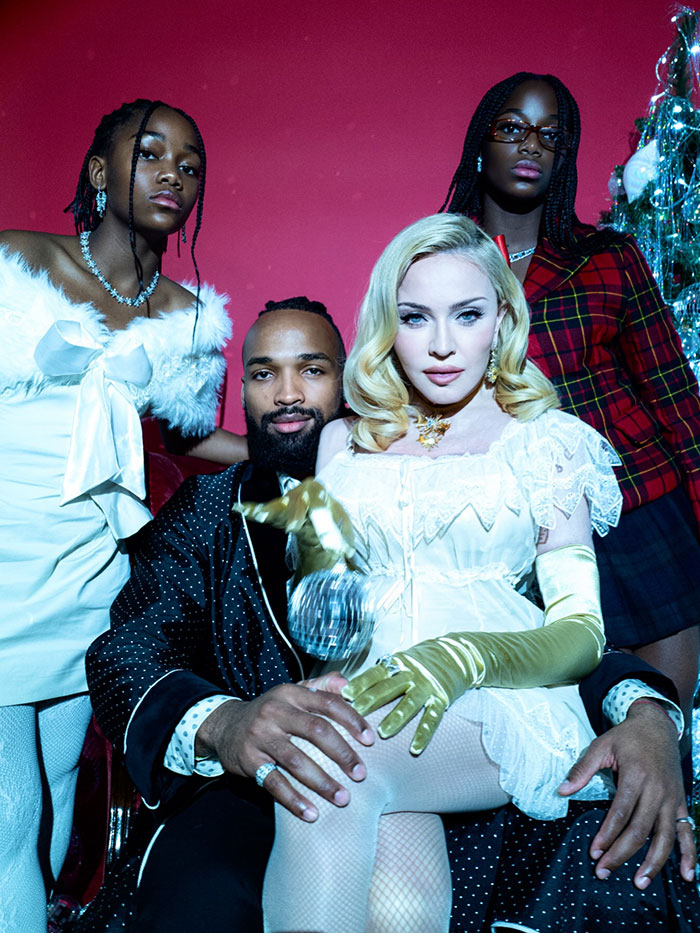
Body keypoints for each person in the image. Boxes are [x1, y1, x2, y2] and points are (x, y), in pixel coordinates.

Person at [82, 294, 691, 933]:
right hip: (247, 786)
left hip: (429, 755)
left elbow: (538, 626)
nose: (287, 393)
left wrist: (647, 713)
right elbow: (127, 650)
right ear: (242, 394)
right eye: (264, 373)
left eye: (312, 370)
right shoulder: (209, 510)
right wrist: (227, 724)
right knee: (202, 899)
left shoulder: (420, 498)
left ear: (347, 382)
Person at [243, 215, 699, 933]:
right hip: (377, 691)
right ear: (389, 324)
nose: (444, 344)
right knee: (401, 908)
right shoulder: (344, 439)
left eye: (468, 314)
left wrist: (465, 656)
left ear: (502, 319)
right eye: (417, 317)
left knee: (325, 771)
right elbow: (334, 617)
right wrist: (317, 556)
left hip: (499, 700)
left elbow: (581, 632)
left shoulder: (548, 443)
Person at [0, 97, 246, 931]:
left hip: (90, 570)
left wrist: (308, 445)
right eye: (150, 153)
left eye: (190, 162)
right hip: (5, 557)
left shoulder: (184, 315)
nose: (173, 171)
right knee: (11, 805)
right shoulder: (16, 260)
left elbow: (190, 434)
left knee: (62, 782)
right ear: (101, 173)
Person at [440, 72, 700, 738]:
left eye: (551, 136)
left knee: (659, 734)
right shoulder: (442, 267)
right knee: (570, 740)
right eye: (513, 128)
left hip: (644, 513)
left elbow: (677, 400)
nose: (532, 145)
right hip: (538, 531)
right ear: (480, 144)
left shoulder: (605, 258)